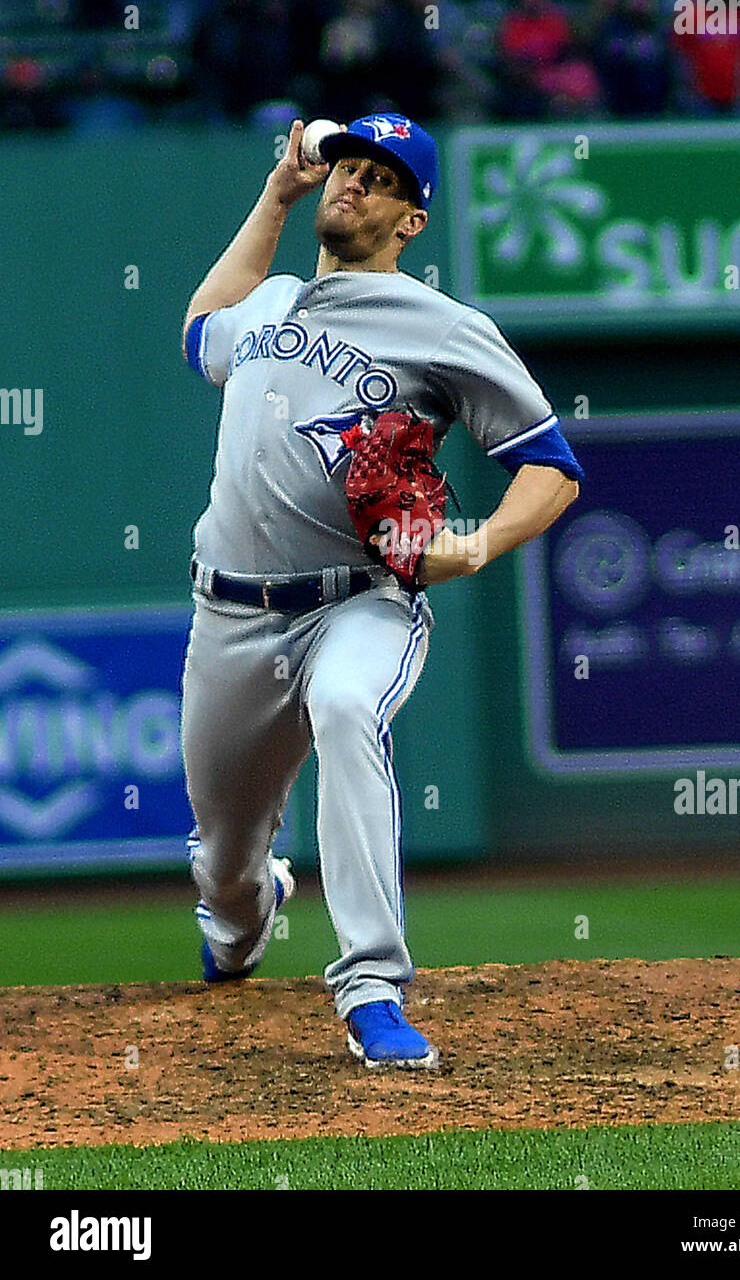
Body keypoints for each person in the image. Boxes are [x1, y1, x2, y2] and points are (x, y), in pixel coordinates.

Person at [180, 113, 584, 1068]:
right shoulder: (273, 301)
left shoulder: (443, 329)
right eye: (346, 168)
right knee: (225, 877)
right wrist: (276, 195)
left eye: (379, 178)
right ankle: (249, 916)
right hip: (229, 615)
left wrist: (478, 543)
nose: (352, 184)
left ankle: (371, 988)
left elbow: (551, 465)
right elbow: (200, 329)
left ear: (412, 219)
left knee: (349, 705)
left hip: (358, 601)